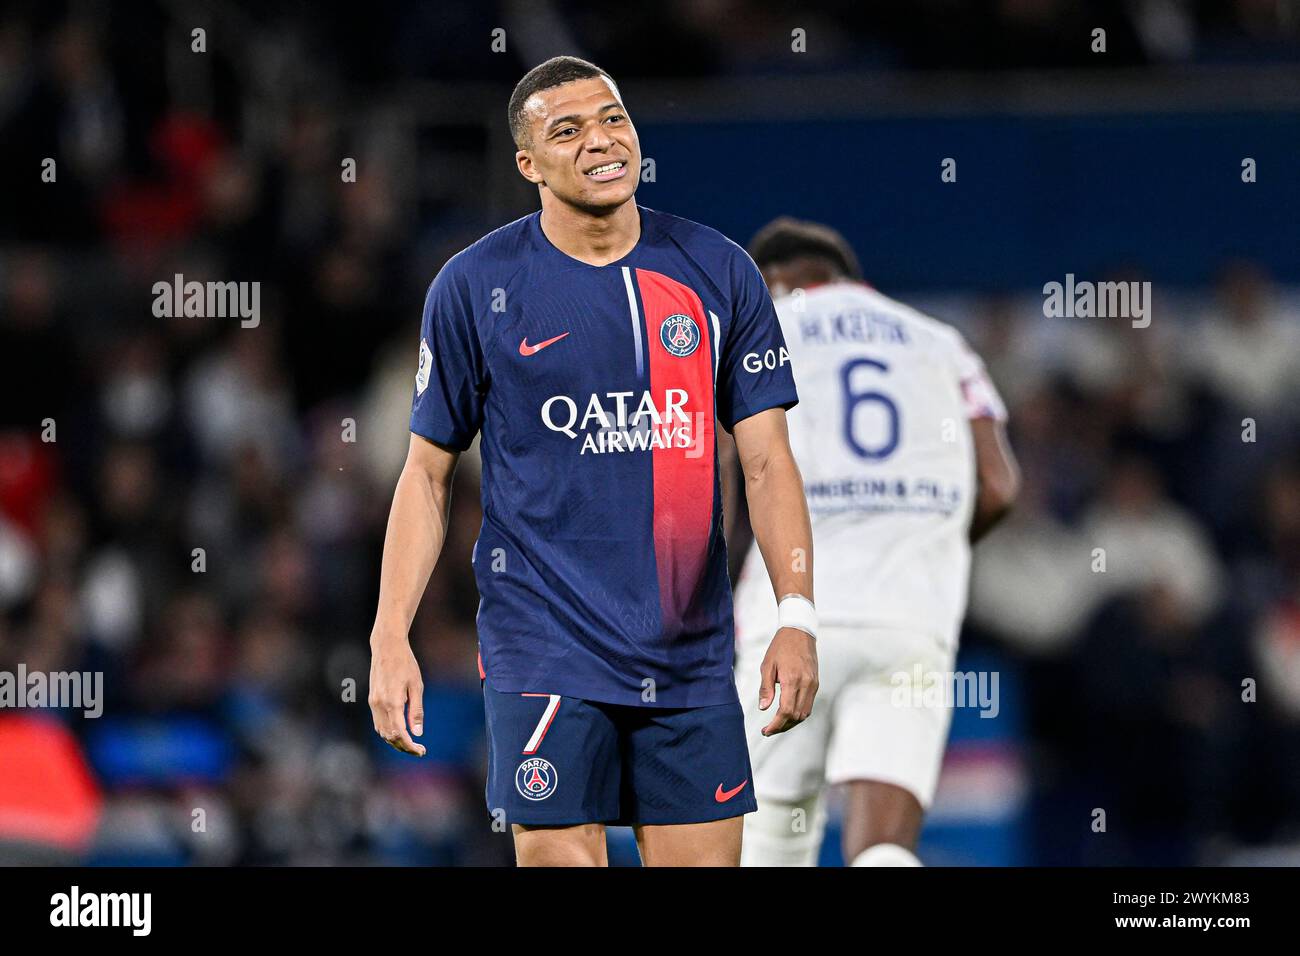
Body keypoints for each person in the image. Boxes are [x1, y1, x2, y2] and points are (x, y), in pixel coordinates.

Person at [367, 58, 819, 867]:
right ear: (527, 164)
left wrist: (796, 614)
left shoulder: (718, 272)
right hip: (543, 646)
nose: (600, 141)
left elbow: (768, 465)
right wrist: (388, 636)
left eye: (612, 117)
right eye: (566, 130)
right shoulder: (475, 287)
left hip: (689, 654)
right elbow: (425, 476)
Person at [730, 217, 1019, 866]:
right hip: (910, 614)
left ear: (772, 283)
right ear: (849, 280)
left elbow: (733, 476)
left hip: (788, 614)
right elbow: (999, 485)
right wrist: (928, 545)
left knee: (771, 833)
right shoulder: (941, 342)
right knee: (884, 849)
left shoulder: (760, 333)